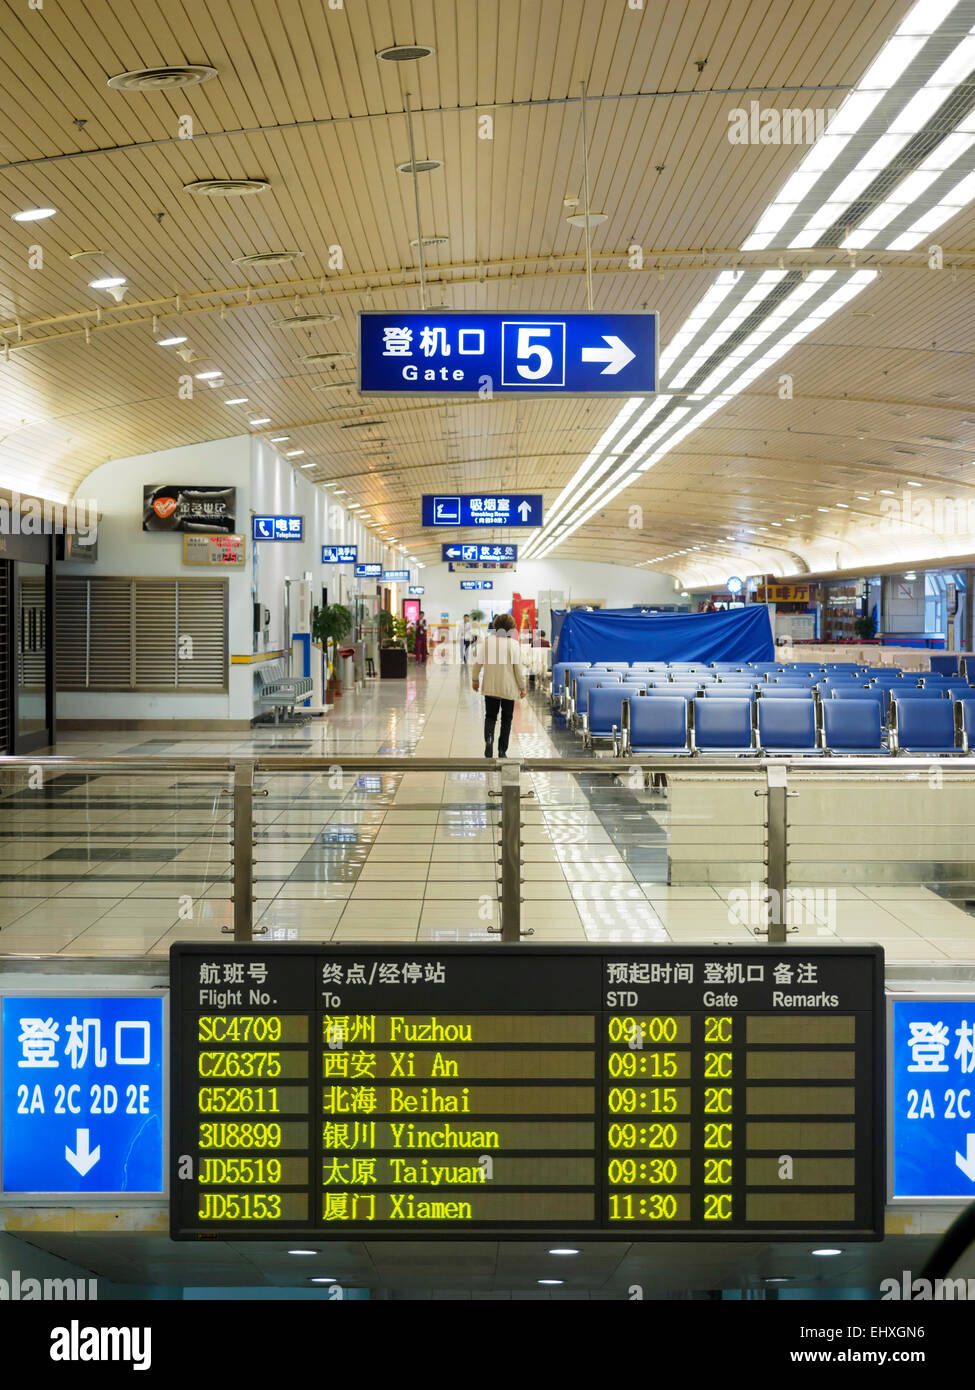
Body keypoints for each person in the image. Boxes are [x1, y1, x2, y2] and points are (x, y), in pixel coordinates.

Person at [471, 613, 526, 758]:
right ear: (511, 628)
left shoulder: (487, 642)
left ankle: (489, 740)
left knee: (490, 717)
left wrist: (475, 679)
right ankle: (502, 751)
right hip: (509, 689)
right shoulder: (513, 644)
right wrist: (522, 687)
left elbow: (478, 663)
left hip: (491, 687)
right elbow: (518, 669)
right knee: (506, 719)